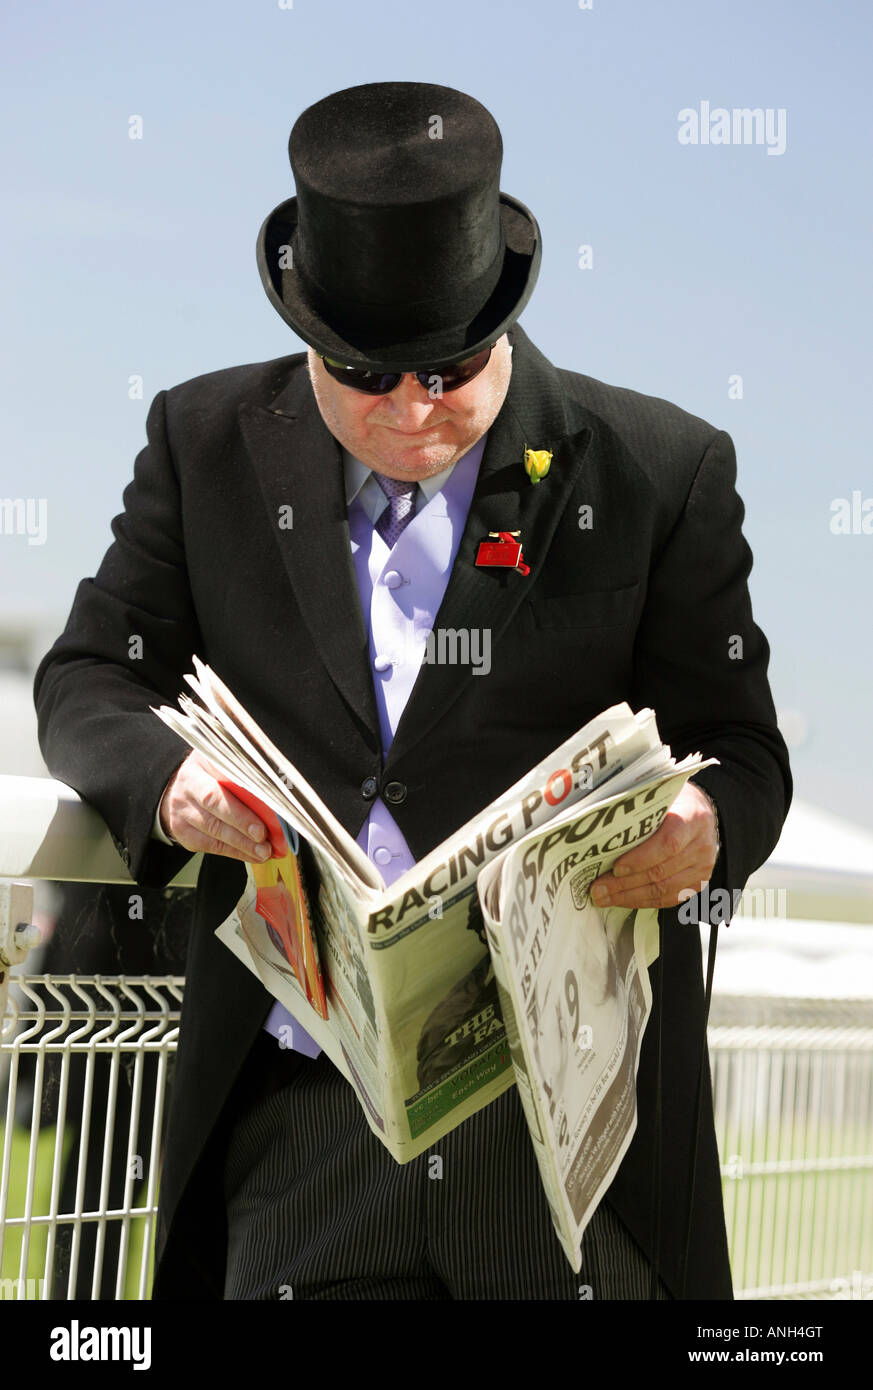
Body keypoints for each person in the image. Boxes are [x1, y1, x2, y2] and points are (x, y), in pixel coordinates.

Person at [33, 80, 791, 1301]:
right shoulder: (204, 439)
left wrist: (708, 831)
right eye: (364, 374)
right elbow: (86, 676)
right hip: (296, 1133)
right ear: (306, 329)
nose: (412, 411)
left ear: (500, 315)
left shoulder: (660, 468)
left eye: (448, 370)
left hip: (559, 1162)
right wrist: (168, 782)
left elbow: (743, 751)